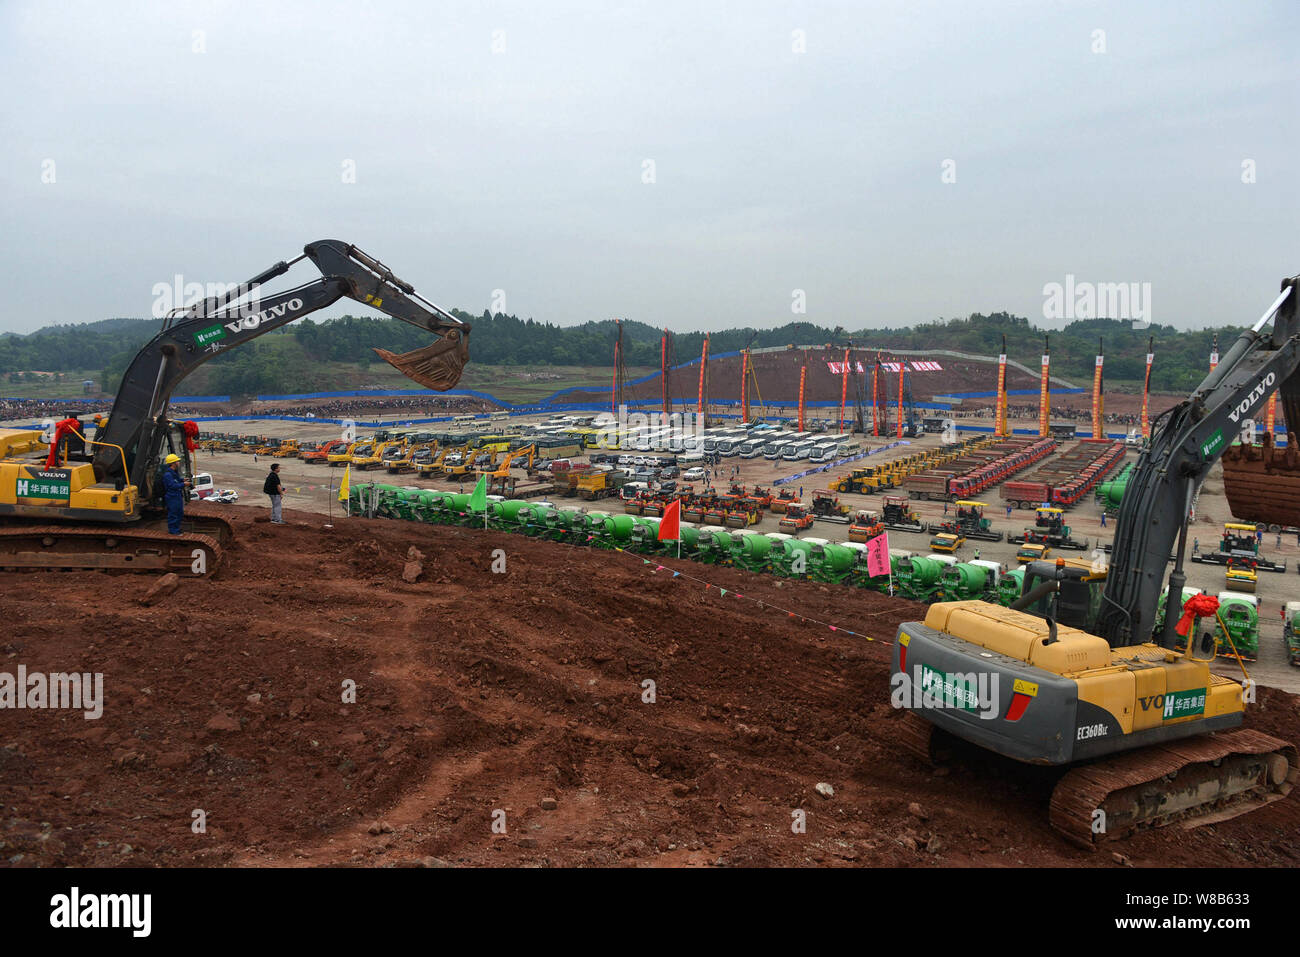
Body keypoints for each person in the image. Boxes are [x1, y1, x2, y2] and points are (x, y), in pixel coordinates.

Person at [162, 453, 188, 535]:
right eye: (177, 461)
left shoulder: (173, 473)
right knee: (174, 514)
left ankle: (177, 528)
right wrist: (184, 484)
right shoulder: (168, 475)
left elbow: (176, 480)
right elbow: (172, 486)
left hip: (176, 496)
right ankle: (173, 531)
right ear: (173, 463)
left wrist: (182, 480)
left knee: (179, 513)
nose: (179, 463)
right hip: (172, 497)